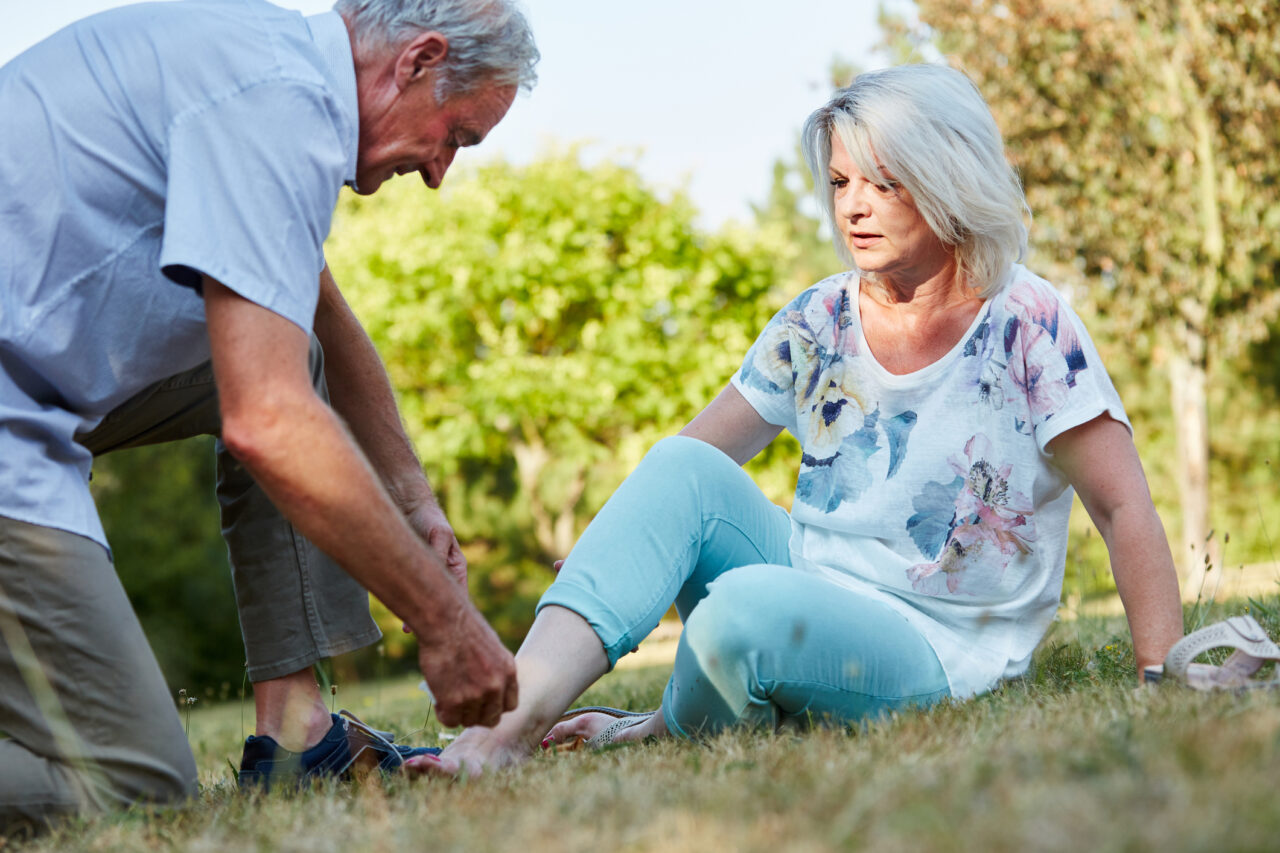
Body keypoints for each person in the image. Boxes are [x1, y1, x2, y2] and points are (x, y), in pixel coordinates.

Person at [405, 63, 1185, 776]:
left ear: (947, 177)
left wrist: (1163, 675)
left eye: (882, 183)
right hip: (811, 583)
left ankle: (657, 729)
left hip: (938, 645)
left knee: (739, 611)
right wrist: (615, 548)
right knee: (680, 470)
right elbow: (691, 466)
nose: (852, 206)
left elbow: (1122, 507)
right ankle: (504, 730)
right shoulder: (820, 318)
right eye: (841, 181)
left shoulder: (1029, 321)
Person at [0, 0, 537, 832]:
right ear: (419, 60)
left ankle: (297, 737)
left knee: (284, 355)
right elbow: (270, 420)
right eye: (456, 136)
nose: (440, 172)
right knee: (136, 784)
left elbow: (317, 317)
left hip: (28, 384)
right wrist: (446, 623)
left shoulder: (263, 63)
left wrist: (412, 497)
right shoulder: (280, 103)